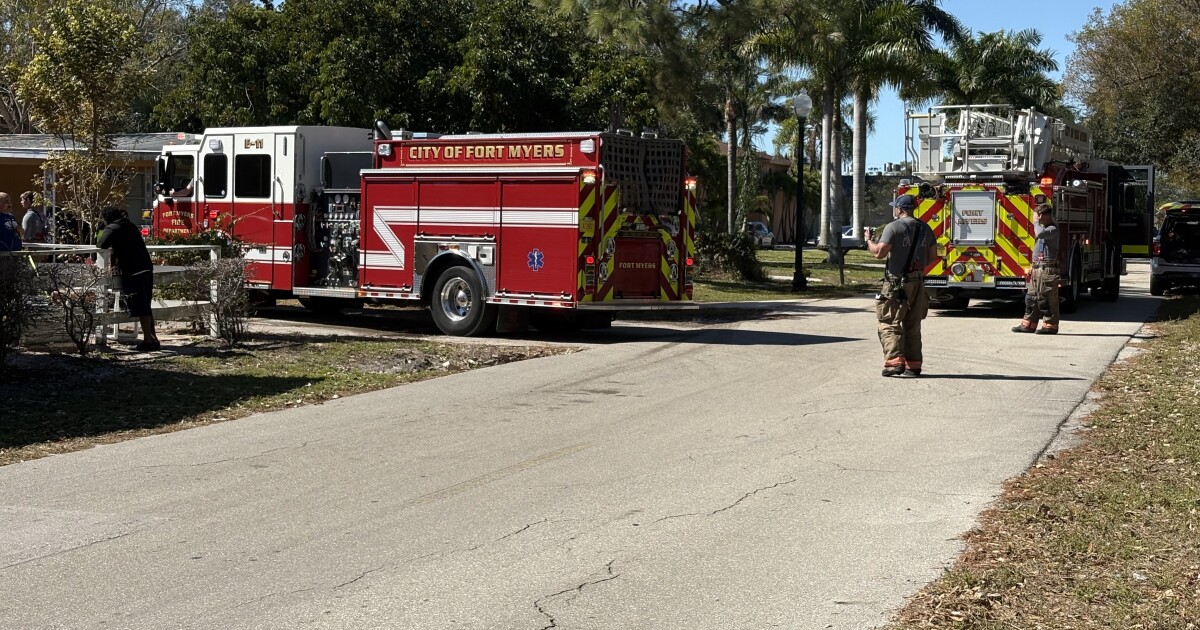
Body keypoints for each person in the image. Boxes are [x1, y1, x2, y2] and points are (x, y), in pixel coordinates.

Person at [865, 194, 937, 377]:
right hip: (918, 283)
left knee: (889, 322)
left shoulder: (893, 227)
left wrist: (868, 241)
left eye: (895, 207)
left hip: (896, 283)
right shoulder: (925, 228)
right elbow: (932, 257)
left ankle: (894, 363)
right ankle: (913, 365)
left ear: (899, 209)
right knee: (913, 325)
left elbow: (879, 253)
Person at [97, 206, 160, 351]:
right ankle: (153, 339)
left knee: (141, 307)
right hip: (146, 267)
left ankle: (148, 341)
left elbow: (101, 244)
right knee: (146, 305)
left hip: (133, 271)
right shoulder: (130, 225)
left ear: (106, 219)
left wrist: (104, 229)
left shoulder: (112, 228)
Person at [1012, 204, 1060, 335]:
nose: (1036, 218)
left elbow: (1040, 234)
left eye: (1038, 215)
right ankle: (1029, 324)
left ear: (1046, 215)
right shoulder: (1043, 228)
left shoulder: (1052, 229)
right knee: (1031, 297)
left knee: (1046, 298)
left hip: (1047, 269)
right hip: (1037, 268)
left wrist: (1036, 222)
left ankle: (1050, 325)